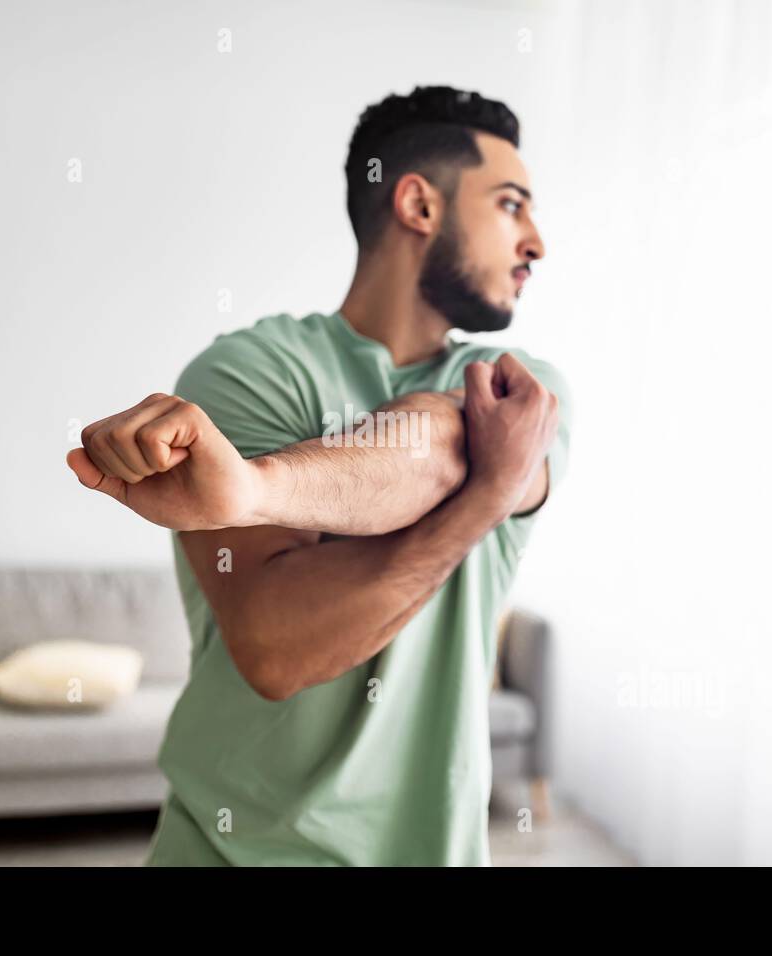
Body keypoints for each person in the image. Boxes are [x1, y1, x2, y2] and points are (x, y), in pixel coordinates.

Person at [66, 85, 571, 865]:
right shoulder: (248, 371)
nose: (536, 240)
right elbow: (277, 650)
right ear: (418, 205)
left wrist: (255, 488)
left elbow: (438, 445)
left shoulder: (525, 387)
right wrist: (485, 492)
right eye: (511, 205)